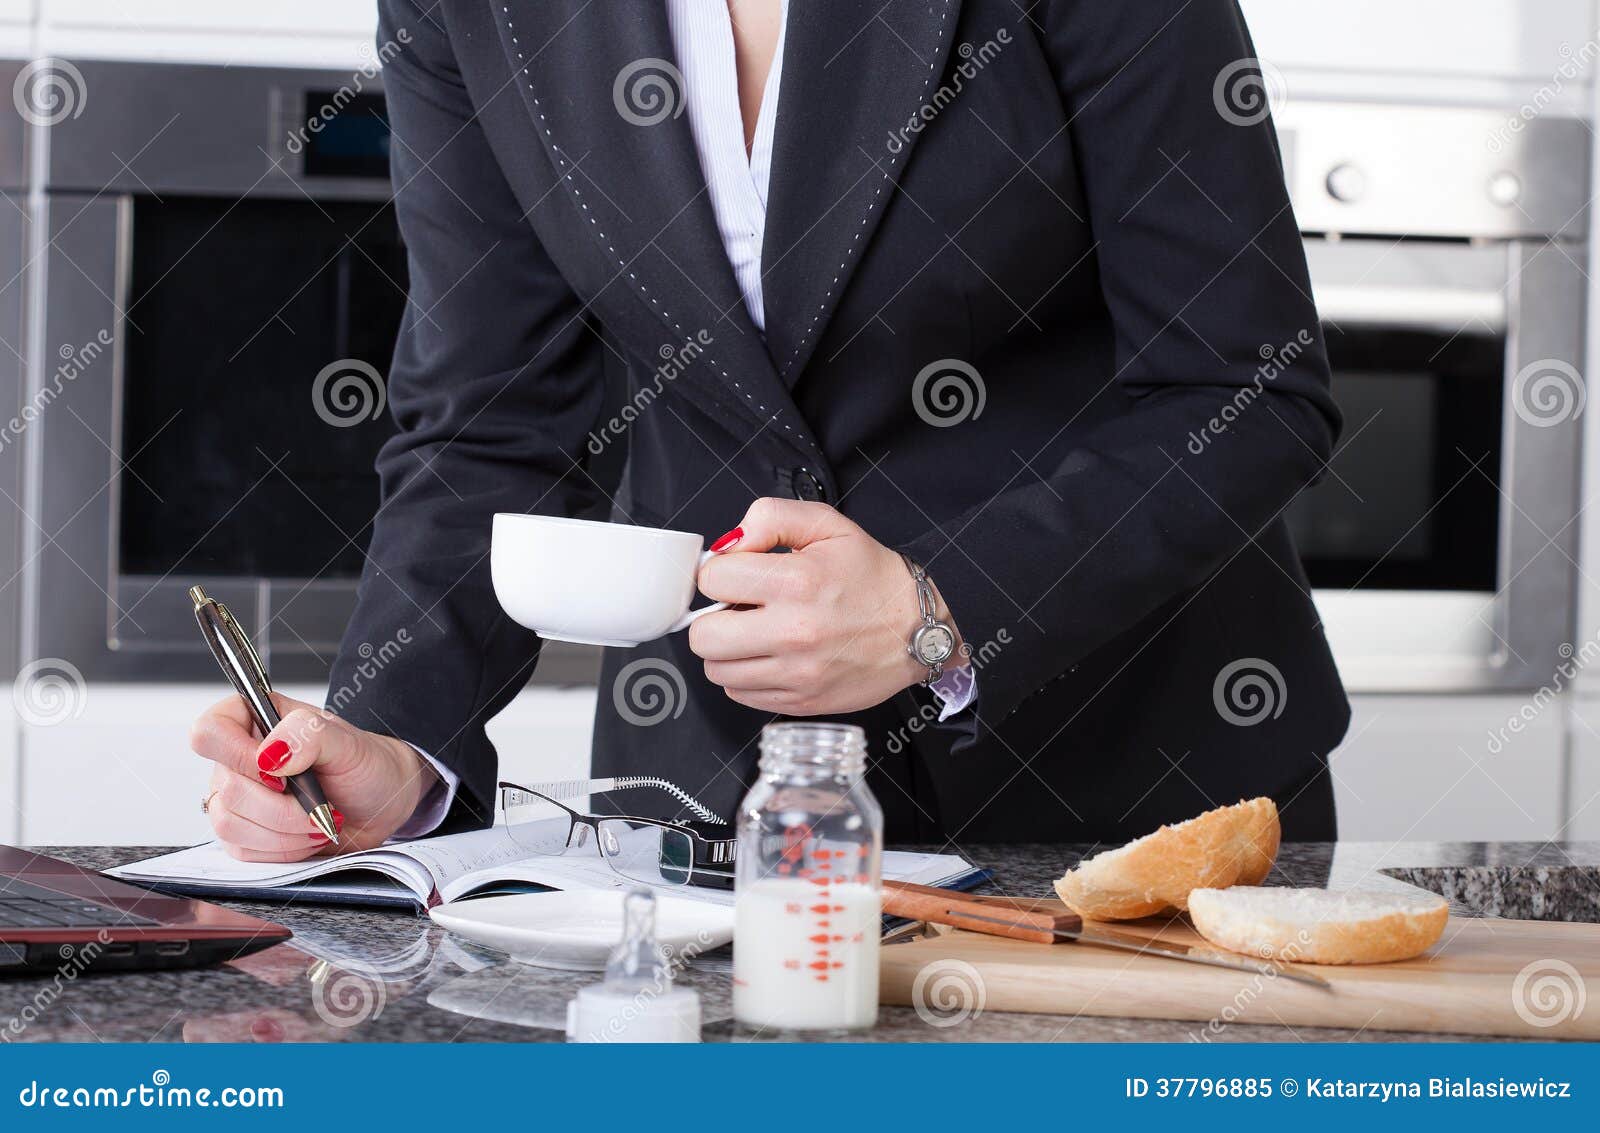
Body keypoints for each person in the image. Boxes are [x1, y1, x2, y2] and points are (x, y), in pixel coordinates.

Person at [191, 0, 1348, 862]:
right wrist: (397, 748)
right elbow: (485, 423)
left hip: (1131, 796)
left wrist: (942, 614)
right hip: (719, 820)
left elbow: (1245, 386)